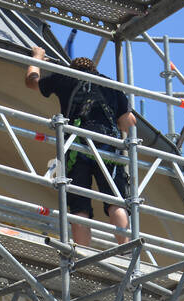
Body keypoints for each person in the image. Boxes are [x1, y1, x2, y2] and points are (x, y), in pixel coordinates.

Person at [25, 47, 136, 247]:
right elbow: (128, 122)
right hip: (107, 146)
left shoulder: (65, 78)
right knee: (115, 201)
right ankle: (127, 248)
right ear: (94, 69)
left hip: (76, 146)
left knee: (79, 206)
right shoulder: (111, 85)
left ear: (73, 67)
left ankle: (81, 252)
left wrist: (37, 58)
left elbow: (32, 82)